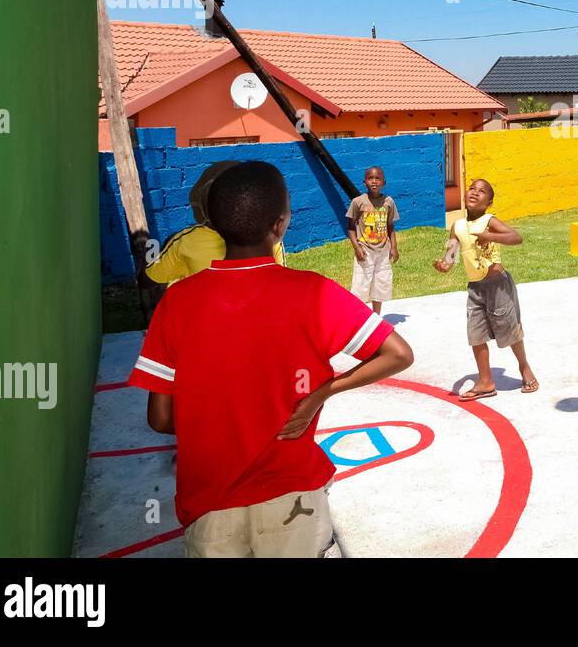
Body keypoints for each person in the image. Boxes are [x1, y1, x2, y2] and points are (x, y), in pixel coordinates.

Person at [127, 161, 414, 557]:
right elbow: (398, 354)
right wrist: (321, 393)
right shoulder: (314, 292)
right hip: (293, 497)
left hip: (209, 503)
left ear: (213, 225)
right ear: (280, 225)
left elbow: (159, 418)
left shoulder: (177, 303)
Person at [434, 179, 538, 400]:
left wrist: (488, 235)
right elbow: (451, 254)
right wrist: (445, 264)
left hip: (498, 285)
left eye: (481, 192)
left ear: (489, 202)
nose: (474, 193)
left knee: (509, 329)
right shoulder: (457, 226)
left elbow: (516, 237)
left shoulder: (489, 221)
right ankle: (485, 382)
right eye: (472, 188)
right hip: (475, 288)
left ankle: (524, 366)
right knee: (476, 334)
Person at [141, 161, 284, 290]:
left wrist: (151, 251)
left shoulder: (186, 241)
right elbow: (279, 283)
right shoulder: (270, 238)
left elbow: (148, 279)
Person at [345, 166, 400, 314]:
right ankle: (359, 318)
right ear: (364, 183)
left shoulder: (389, 202)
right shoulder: (358, 202)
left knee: (380, 285)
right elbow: (350, 227)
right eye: (370, 178)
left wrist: (394, 247)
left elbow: (390, 226)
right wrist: (357, 247)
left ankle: (376, 317)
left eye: (378, 178)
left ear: (384, 182)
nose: (374, 182)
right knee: (360, 285)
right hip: (365, 250)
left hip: (383, 251)